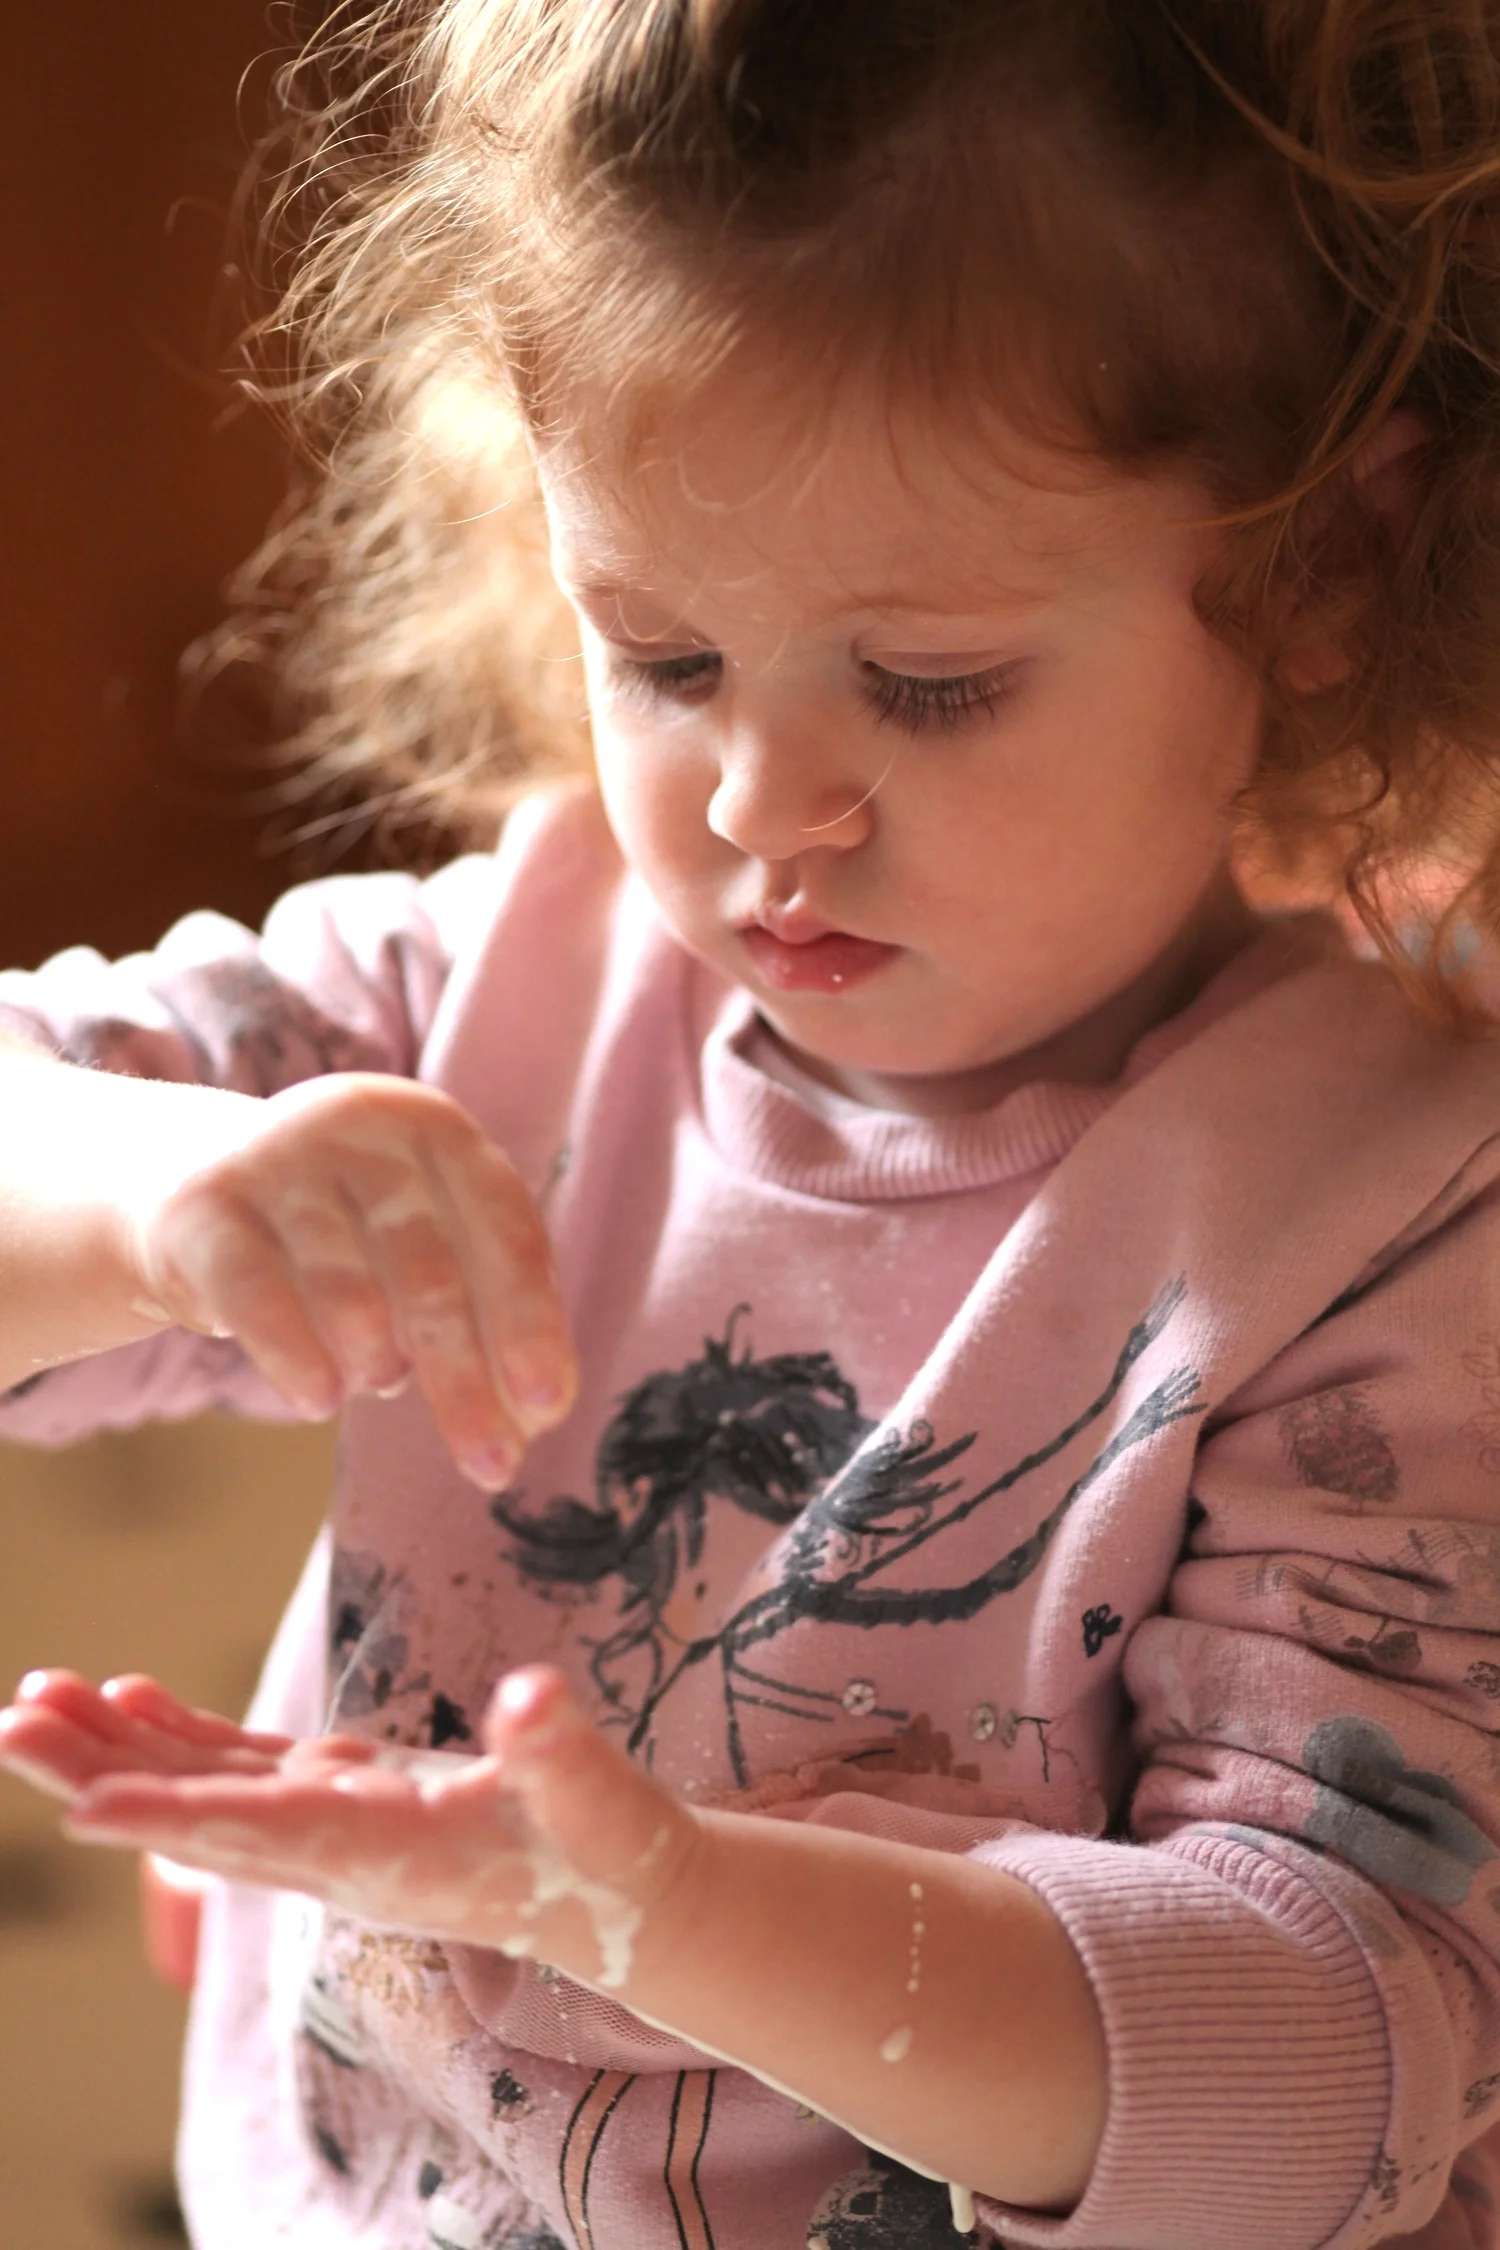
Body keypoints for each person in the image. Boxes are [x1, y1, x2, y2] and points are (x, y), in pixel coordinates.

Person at [3, 3, 1500, 2244]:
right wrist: (155, 1199)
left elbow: (1336, 2066)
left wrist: (654, 1910)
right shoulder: (485, 996)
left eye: (930, 682)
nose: (758, 807)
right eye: (664, 652)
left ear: (1324, 576)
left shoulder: (1391, 1223)